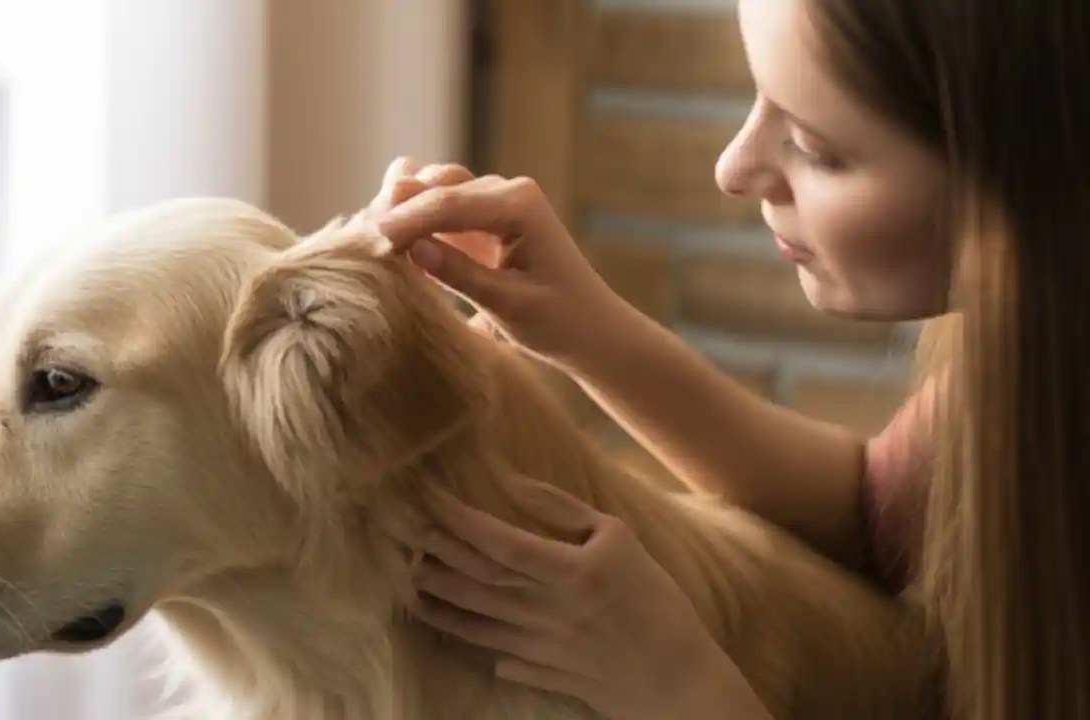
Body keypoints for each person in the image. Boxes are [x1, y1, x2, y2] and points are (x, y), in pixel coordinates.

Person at [363, 0, 1090, 718]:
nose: (734, 168)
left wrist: (676, 684)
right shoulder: (1027, 343)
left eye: (814, 147)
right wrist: (583, 327)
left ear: (1030, 175)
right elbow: (885, 518)